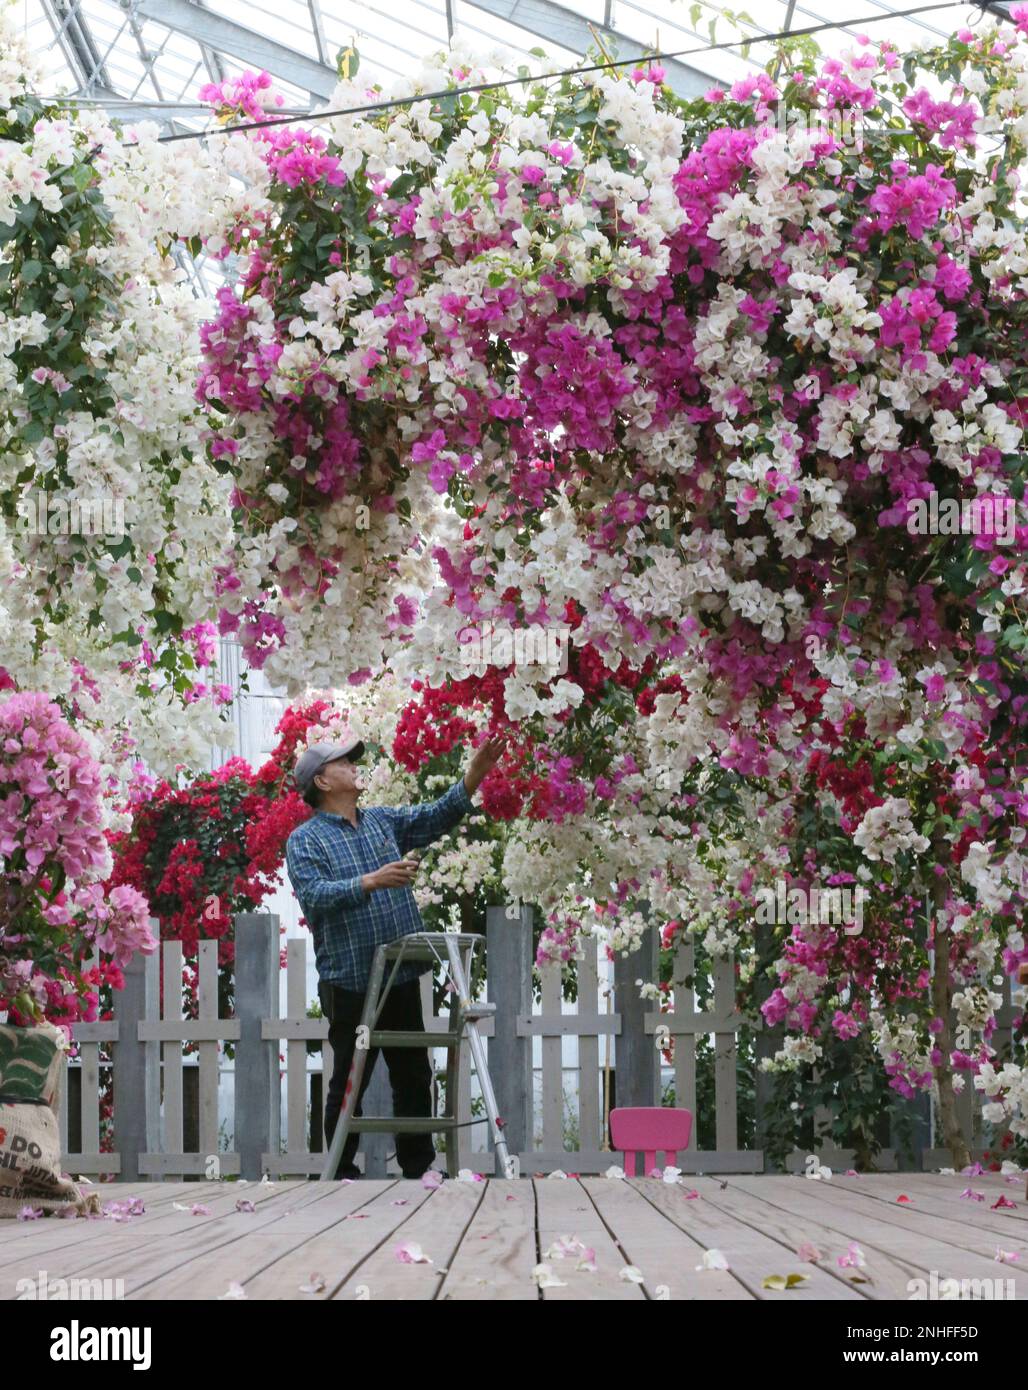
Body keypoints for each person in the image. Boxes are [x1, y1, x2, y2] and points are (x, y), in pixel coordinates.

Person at [285, 732, 505, 1179]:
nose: (353, 765)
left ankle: (419, 1167)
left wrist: (474, 776)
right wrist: (371, 881)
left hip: (400, 973)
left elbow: (434, 817)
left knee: (414, 1073)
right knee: (351, 1076)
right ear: (323, 783)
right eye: (343, 762)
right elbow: (314, 895)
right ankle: (339, 1171)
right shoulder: (305, 841)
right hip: (350, 979)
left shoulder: (382, 821)